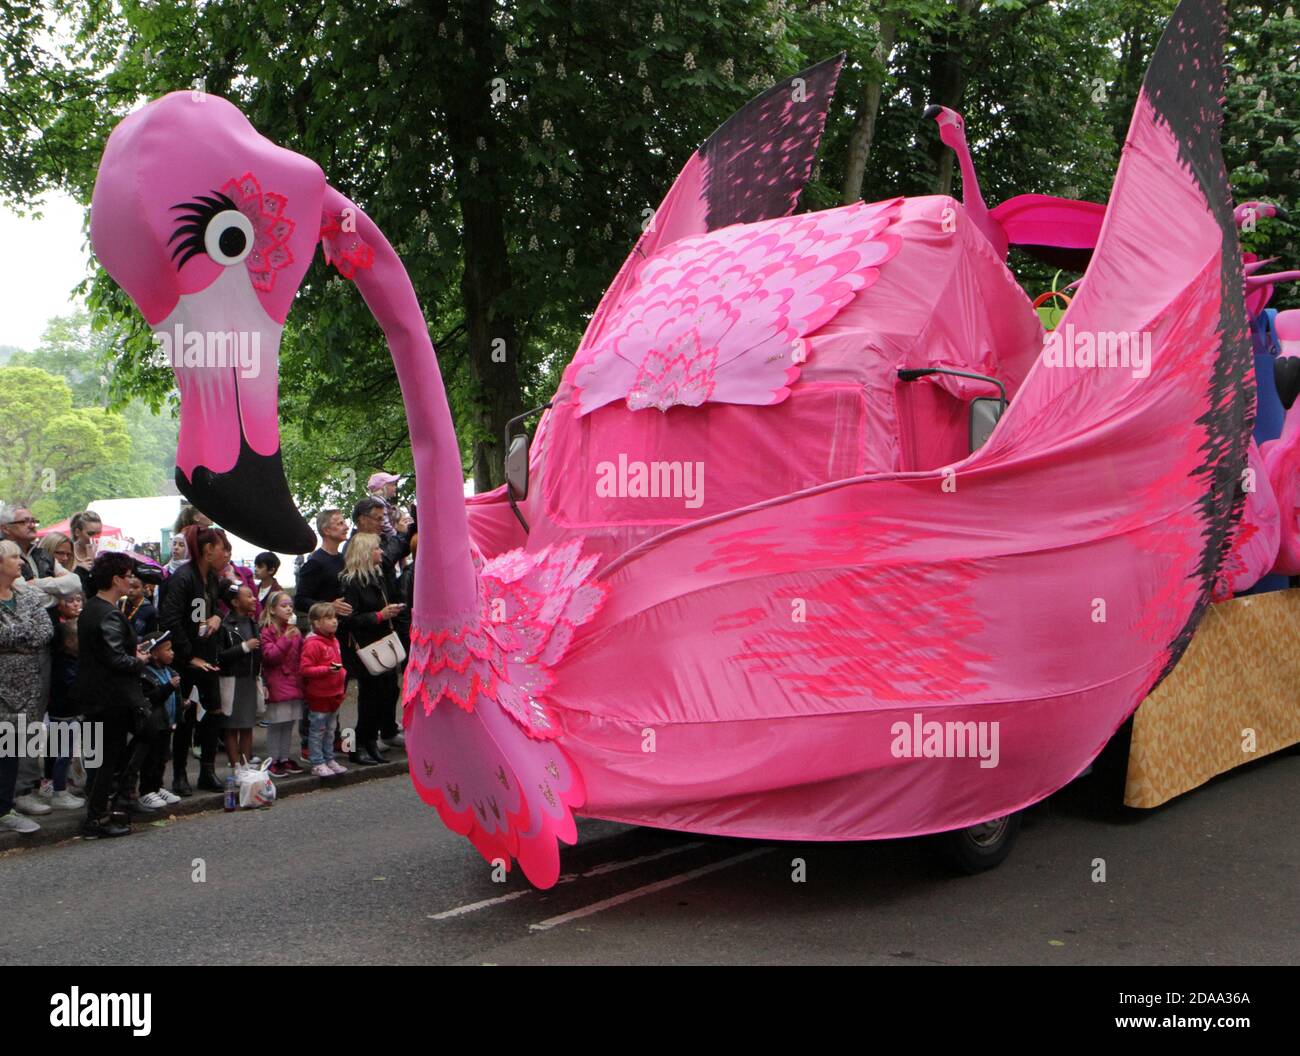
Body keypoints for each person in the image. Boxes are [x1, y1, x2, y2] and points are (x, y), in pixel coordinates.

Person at [77, 552, 152, 839]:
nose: (131, 580)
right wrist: (140, 660)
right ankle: (98, 818)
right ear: (116, 579)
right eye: (128, 575)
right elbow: (115, 659)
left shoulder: (92, 608)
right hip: (111, 698)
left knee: (100, 760)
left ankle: (101, 812)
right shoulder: (108, 612)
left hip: (96, 696)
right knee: (107, 758)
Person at [159, 524, 230, 794]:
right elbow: (170, 620)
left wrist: (217, 616)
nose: (226, 555)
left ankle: (208, 771)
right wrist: (189, 656)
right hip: (184, 660)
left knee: (213, 713)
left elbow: (227, 601)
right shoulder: (183, 578)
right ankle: (179, 775)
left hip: (209, 656)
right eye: (223, 549)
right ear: (208, 550)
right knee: (186, 715)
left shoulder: (211, 579)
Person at [0, 539, 57, 834]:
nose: (21, 562)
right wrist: (20, 634)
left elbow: (44, 632)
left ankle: (5, 807)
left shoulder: (27, 596)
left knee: (11, 749)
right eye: (13, 557)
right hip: (2, 687)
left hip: (26, 688)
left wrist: (12, 636)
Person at [340, 531, 407, 765]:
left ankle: (369, 742)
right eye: (377, 548)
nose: (381, 552)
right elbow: (348, 620)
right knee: (369, 699)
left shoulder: (377, 577)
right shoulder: (351, 582)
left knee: (383, 696)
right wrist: (379, 616)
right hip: (365, 648)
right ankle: (358, 745)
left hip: (381, 643)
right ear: (367, 552)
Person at [296, 509, 355, 757]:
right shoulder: (315, 563)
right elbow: (300, 600)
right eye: (339, 523)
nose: (345, 526)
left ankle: (333, 735)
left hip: (341, 634)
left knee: (336, 684)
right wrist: (329, 606)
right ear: (326, 530)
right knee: (318, 688)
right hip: (321, 637)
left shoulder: (343, 560)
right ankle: (309, 742)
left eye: (344, 522)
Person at [40, 590, 86, 810]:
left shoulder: (70, 661)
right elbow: (71, 686)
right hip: (64, 712)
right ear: (69, 641)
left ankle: (58, 786)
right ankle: (59, 790)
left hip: (66, 711)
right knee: (62, 753)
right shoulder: (64, 664)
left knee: (63, 752)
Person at [259, 590, 304, 776]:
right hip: (277, 681)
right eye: (283, 605)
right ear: (272, 609)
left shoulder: (294, 631)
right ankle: (272, 759)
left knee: (289, 723)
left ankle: (284, 758)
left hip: (294, 680)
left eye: (290, 605)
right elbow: (270, 657)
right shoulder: (268, 631)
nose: (288, 609)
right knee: (276, 723)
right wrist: (286, 639)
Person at [216, 584, 261, 768]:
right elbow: (220, 655)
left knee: (247, 724)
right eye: (249, 596)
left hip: (249, 678)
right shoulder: (225, 626)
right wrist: (244, 648)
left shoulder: (252, 622)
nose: (254, 599)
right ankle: (235, 766)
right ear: (235, 602)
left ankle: (246, 763)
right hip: (232, 680)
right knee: (232, 725)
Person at [301, 602, 347, 778]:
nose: (334, 621)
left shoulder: (334, 640)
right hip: (319, 695)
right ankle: (317, 761)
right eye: (328, 618)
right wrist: (328, 670)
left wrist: (341, 673)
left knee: (330, 730)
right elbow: (305, 669)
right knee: (318, 730)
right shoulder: (312, 644)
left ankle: (329, 759)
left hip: (334, 693)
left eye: (335, 617)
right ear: (316, 623)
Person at [136, 636, 183, 810]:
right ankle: (147, 790)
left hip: (167, 722)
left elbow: (174, 698)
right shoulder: (146, 674)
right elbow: (150, 698)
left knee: (163, 758)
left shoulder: (170, 671)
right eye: (167, 649)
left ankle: (158, 786)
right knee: (151, 758)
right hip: (153, 723)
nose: (172, 653)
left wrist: (181, 705)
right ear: (154, 653)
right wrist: (168, 687)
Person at [366, 471, 402, 538]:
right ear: (383, 487)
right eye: (392, 485)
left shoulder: (381, 501)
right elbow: (385, 524)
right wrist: (396, 536)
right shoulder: (378, 502)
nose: (395, 487)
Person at [121, 575, 158, 639]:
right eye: (129, 586)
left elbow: (150, 637)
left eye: (135, 587)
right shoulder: (121, 603)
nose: (131, 590)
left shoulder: (150, 611)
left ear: (144, 588)